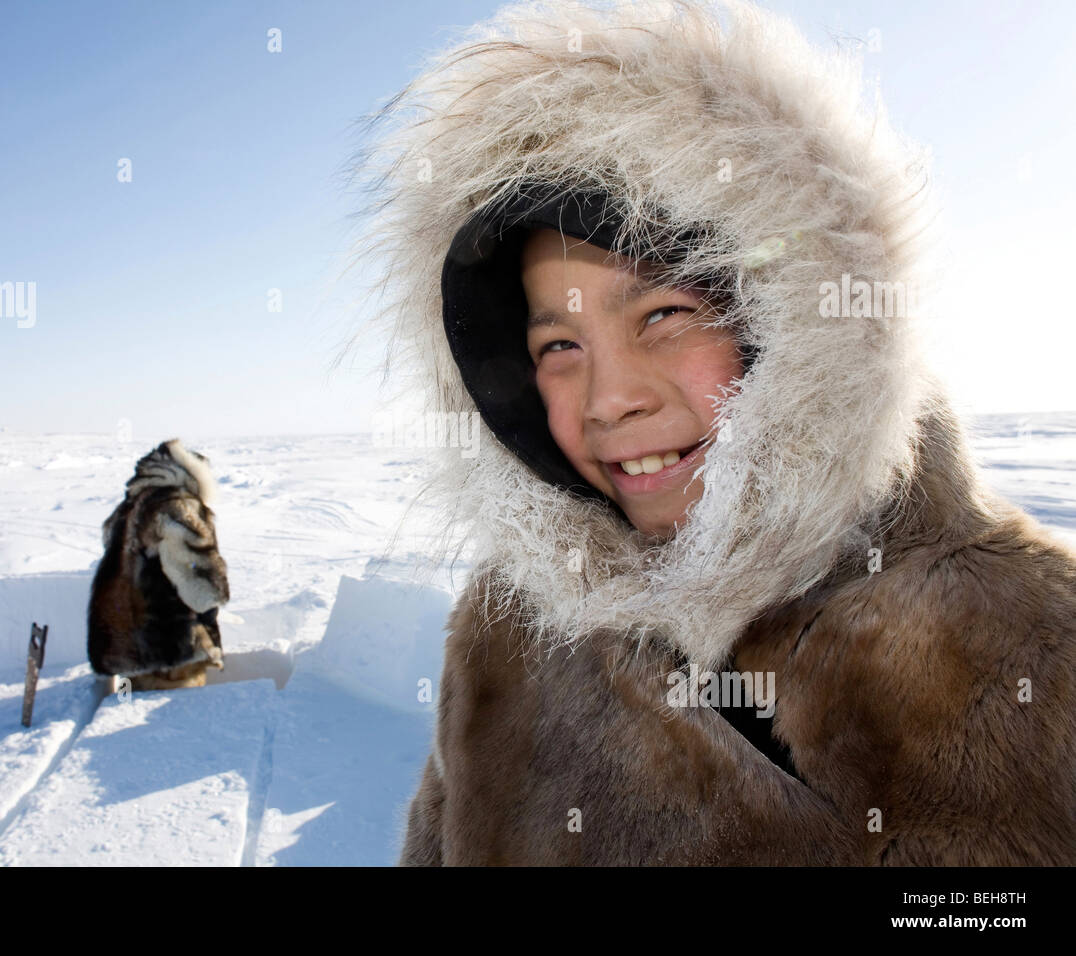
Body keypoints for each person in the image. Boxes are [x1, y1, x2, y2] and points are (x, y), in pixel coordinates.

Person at [348, 0, 1076, 864]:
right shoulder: (507, 636)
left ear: (794, 322)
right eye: (558, 346)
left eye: (664, 312)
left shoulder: (1036, 642)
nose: (609, 400)